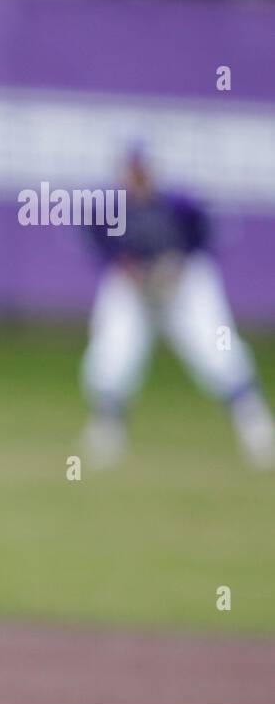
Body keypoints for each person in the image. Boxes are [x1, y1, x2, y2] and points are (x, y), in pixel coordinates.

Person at [80, 147, 274, 469]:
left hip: (183, 284)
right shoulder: (107, 207)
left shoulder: (179, 203)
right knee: (113, 351)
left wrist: (178, 263)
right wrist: (124, 266)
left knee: (217, 349)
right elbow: (96, 245)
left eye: (142, 170)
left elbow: (211, 234)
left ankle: (256, 428)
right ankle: (106, 431)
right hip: (134, 287)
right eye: (131, 170)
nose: (137, 177)